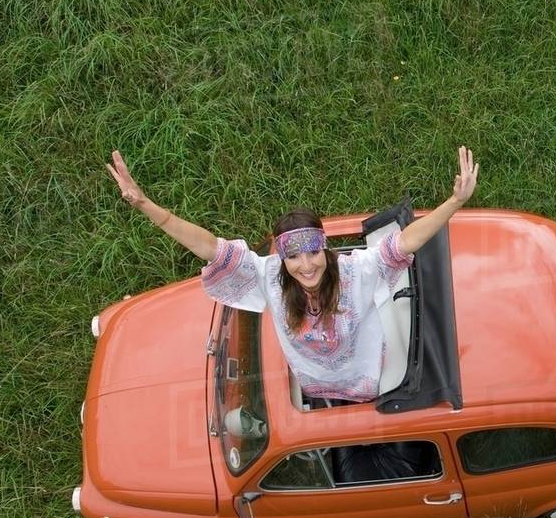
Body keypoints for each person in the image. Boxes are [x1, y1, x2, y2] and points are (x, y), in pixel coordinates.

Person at [105, 146, 479, 402]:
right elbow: (208, 247)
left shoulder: (355, 272)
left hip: (365, 373)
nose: (307, 265)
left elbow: (405, 241)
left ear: (326, 248)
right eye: (295, 257)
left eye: (314, 251)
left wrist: (455, 201)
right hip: (311, 379)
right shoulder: (267, 277)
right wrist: (146, 205)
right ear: (281, 260)